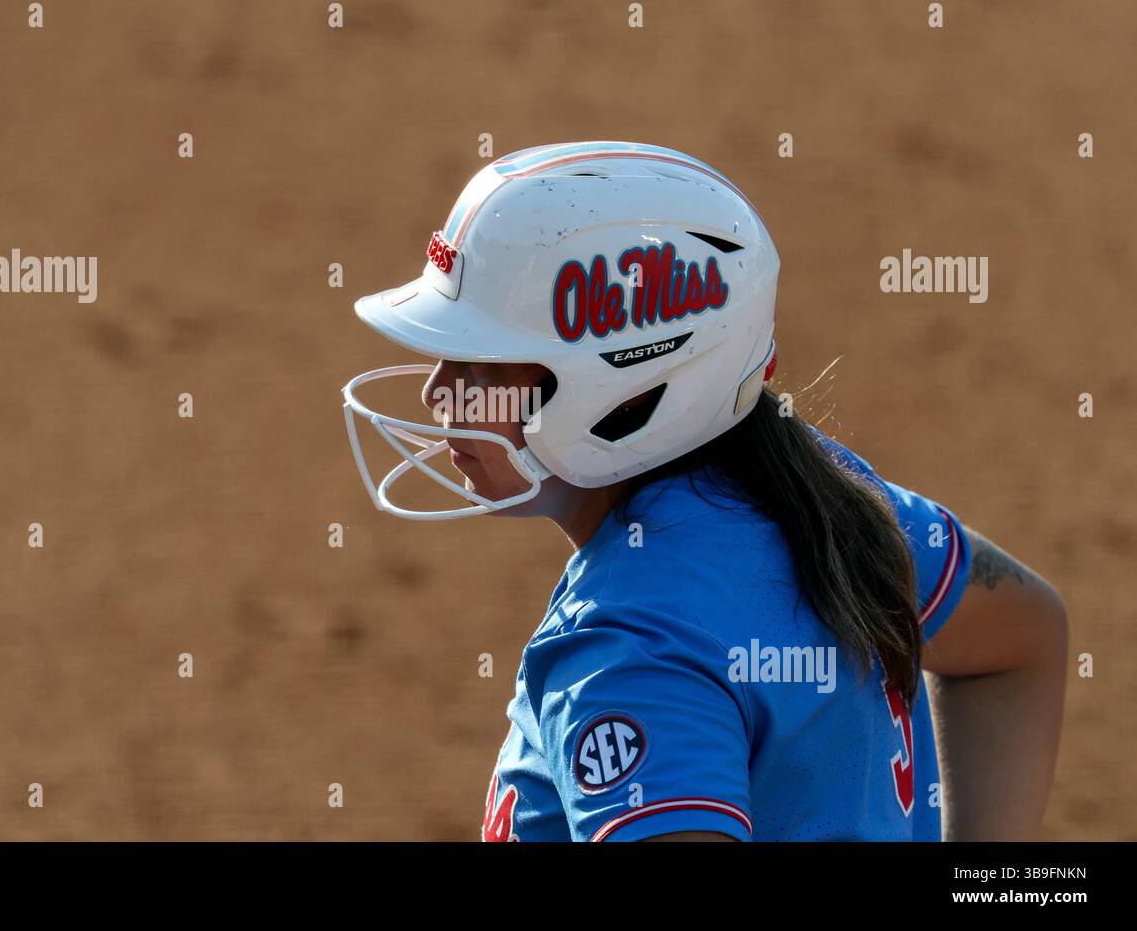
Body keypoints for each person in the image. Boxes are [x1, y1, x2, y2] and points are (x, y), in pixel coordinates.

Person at [341, 142, 1067, 841]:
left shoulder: (628, 647)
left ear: (622, 388)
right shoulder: (822, 495)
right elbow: (1024, 634)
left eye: (485, 367)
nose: (441, 393)